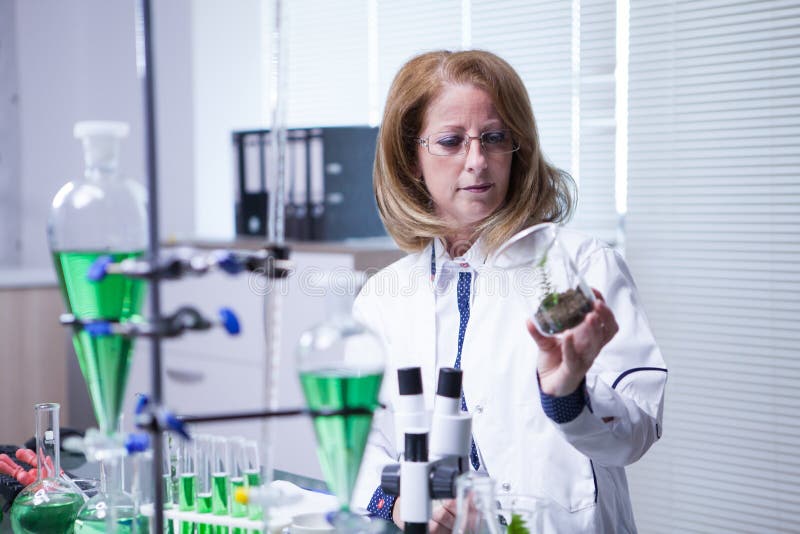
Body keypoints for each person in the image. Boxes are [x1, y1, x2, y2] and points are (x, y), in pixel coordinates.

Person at [351, 49, 667, 533]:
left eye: (494, 138)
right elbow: (365, 440)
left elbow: (635, 433)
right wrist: (400, 503)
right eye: (451, 141)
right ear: (411, 159)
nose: (477, 161)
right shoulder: (382, 296)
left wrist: (567, 396)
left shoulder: (576, 268)